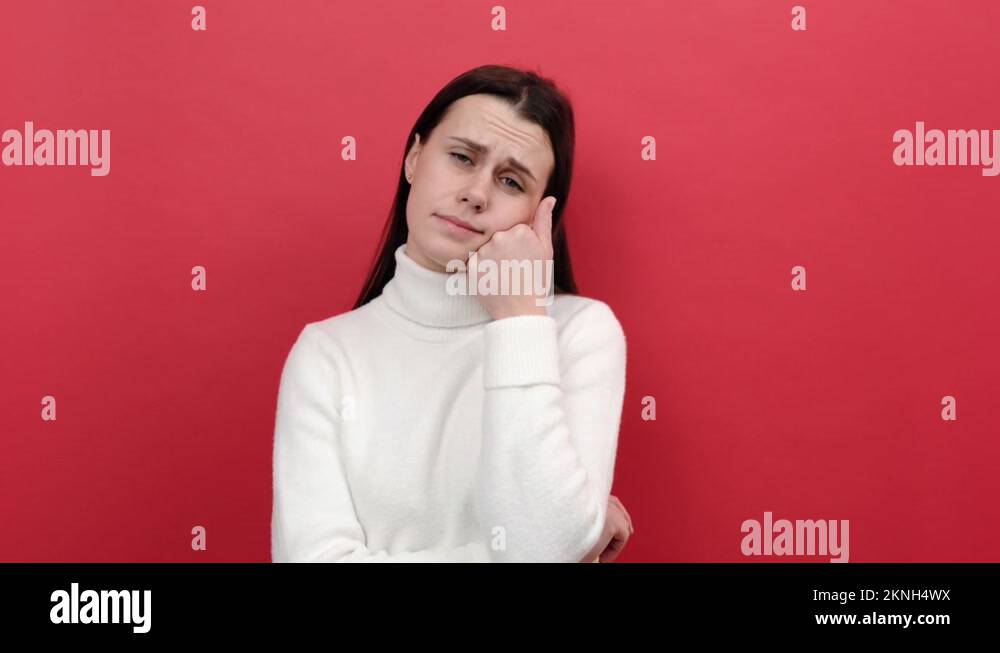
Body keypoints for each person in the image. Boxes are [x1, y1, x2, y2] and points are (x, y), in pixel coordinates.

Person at [271, 64, 633, 562]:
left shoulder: (579, 335)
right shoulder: (328, 353)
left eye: (511, 181)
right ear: (415, 158)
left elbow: (543, 541)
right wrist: (542, 550)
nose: (477, 194)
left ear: (539, 215)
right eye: (462, 158)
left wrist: (520, 320)